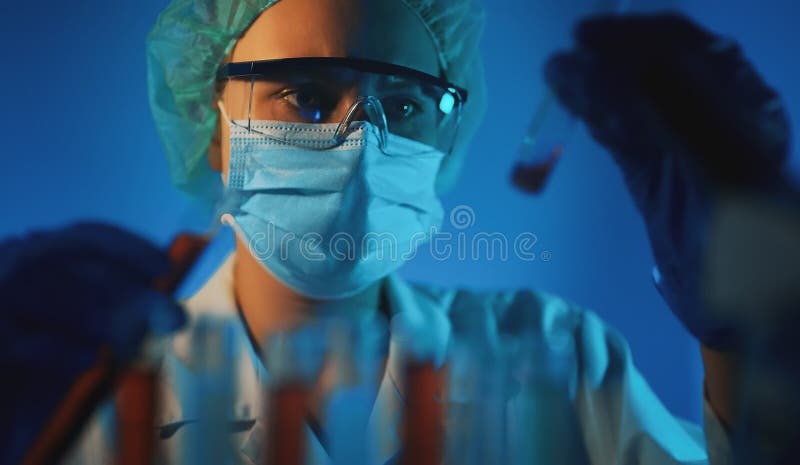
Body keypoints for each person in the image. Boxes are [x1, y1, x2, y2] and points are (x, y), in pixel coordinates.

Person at [1, 0, 796, 464]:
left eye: (407, 104)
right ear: (214, 130)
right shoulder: (81, 393)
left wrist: (746, 336)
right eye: (307, 96)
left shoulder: (553, 354)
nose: (364, 140)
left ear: (446, 134)